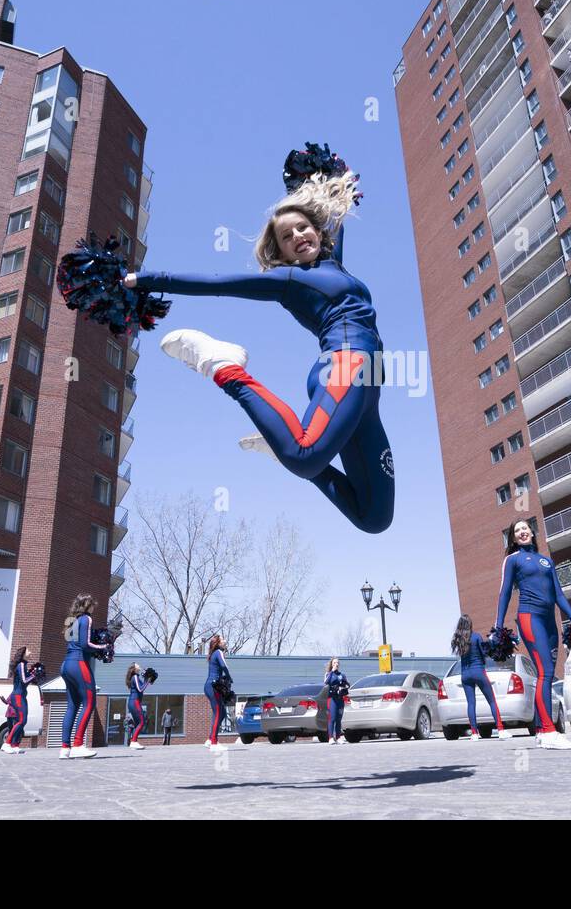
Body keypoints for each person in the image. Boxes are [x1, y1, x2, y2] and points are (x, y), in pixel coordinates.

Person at [122, 173, 394, 534]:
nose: (298, 236)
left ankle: (280, 445)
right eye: (286, 236)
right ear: (279, 253)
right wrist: (145, 280)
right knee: (303, 456)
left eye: (303, 228)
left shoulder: (333, 265)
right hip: (345, 367)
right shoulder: (291, 281)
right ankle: (223, 366)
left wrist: (331, 184)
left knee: (374, 518)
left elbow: (337, 217)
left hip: (369, 390)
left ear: (317, 231)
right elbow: (217, 283)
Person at [495, 520, 571, 749]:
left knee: (548, 675)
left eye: (525, 528)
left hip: (549, 621)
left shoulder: (547, 561)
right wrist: (498, 625)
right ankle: (551, 733)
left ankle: (541, 730)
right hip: (529, 617)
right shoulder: (512, 560)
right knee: (545, 671)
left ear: (532, 533)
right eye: (517, 530)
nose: (522, 532)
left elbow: (559, 595)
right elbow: (504, 593)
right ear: (513, 538)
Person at [60, 594, 109, 759]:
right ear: (88, 605)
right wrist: (104, 647)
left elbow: (73, 642)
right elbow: (85, 644)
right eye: (93, 605)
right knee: (90, 703)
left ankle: (65, 748)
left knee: (72, 706)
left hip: (66, 664)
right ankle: (78, 744)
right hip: (79, 663)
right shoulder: (86, 619)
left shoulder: (70, 620)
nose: (94, 608)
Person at [450, 615, 510, 741]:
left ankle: (474, 733)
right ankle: (500, 730)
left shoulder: (458, 640)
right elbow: (483, 654)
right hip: (478, 672)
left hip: (465, 675)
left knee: (471, 703)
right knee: (492, 701)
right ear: (470, 624)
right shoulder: (476, 637)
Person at [2, 647, 32, 753]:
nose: (30, 652)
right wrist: (34, 675)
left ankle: (14, 745)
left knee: (23, 721)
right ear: (23, 654)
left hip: (21, 696)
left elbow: (26, 680)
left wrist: (33, 673)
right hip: (18, 696)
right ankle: (7, 743)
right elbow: (24, 681)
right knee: (21, 720)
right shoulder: (21, 665)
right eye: (28, 651)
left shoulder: (24, 665)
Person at [205, 635, 231, 753]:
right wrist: (229, 678)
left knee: (222, 713)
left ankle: (210, 739)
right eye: (222, 639)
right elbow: (224, 666)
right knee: (218, 712)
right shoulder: (218, 652)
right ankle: (214, 743)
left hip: (211, 686)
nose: (225, 641)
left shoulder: (214, 653)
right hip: (213, 686)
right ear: (218, 643)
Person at [124, 663, 152, 749]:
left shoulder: (136, 677)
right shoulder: (135, 677)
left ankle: (134, 741)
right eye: (137, 665)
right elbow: (140, 689)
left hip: (134, 702)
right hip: (134, 702)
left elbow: (141, 686)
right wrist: (147, 681)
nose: (139, 666)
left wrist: (146, 679)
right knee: (142, 722)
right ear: (134, 668)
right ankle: (133, 741)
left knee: (138, 723)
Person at [324, 658, 349, 745]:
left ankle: (338, 737)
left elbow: (347, 684)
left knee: (339, 719)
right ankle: (331, 738)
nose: (336, 664)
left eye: (337, 663)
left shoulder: (342, 674)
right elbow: (326, 682)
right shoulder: (328, 674)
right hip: (332, 699)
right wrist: (332, 671)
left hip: (340, 698)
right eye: (334, 663)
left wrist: (345, 687)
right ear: (332, 664)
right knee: (332, 718)